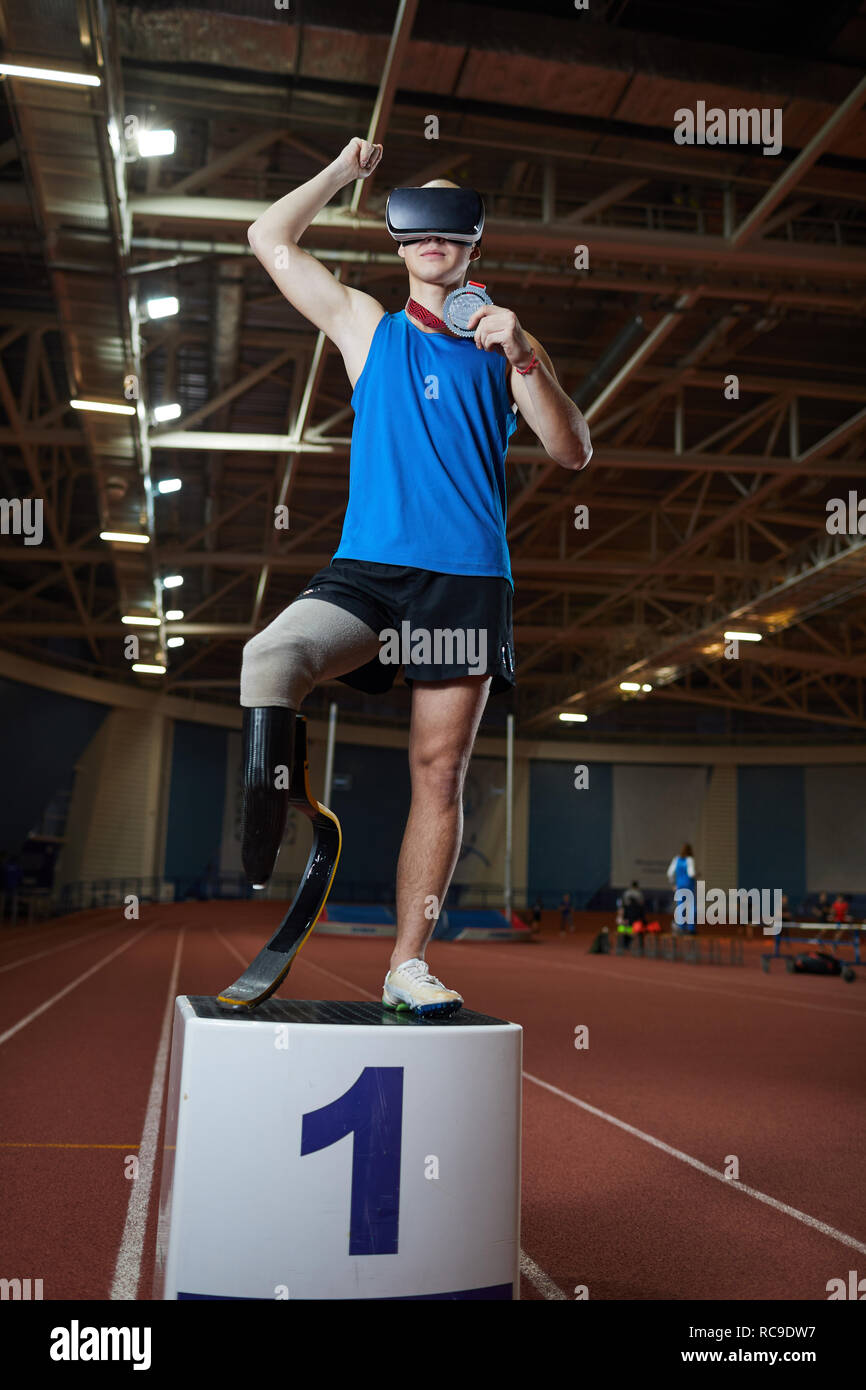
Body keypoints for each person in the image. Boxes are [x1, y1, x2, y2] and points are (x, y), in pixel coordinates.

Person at [241, 139, 591, 1016]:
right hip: (368, 573)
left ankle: (406, 964)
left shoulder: (505, 342)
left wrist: (523, 358)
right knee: (271, 656)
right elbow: (267, 237)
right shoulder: (367, 325)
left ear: (473, 245)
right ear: (398, 241)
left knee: (438, 774)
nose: (433, 238)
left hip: (466, 582)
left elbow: (572, 449)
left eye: (453, 225)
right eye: (415, 223)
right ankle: (276, 800)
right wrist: (341, 172)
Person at [667, 842, 697, 934]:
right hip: (689, 886)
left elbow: (669, 873)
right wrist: (697, 874)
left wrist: (673, 884)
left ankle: (680, 927)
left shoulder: (676, 859)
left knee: (680, 906)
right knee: (691, 907)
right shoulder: (690, 860)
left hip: (680, 886)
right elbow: (691, 873)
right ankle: (691, 928)